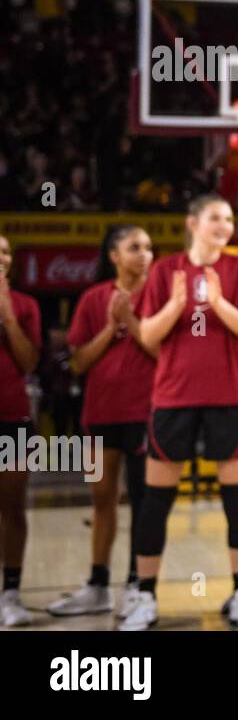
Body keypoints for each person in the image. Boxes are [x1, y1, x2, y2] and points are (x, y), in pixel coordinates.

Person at [126, 194, 238, 631]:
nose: (224, 225)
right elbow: (147, 336)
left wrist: (220, 304)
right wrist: (175, 304)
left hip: (230, 397)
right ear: (193, 222)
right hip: (172, 399)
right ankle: (144, 597)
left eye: (229, 219)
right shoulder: (165, 270)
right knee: (155, 503)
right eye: (215, 218)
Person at [49, 226, 156, 620]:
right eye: (134, 248)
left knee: (145, 504)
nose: (144, 254)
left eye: (147, 247)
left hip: (147, 413)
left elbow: (166, 352)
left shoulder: (160, 295)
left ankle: (136, 584)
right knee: (103, 500)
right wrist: (113, 327)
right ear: (113, 255)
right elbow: (78, 363)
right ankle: (98, 585)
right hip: (99, 415)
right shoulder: (93, 299)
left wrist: (134, 320)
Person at [0, 233, 41, 627]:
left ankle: (11, 593)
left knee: (12, 506)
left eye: (6, 251)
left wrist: (8, 315)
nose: (1, 257)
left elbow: (29, 361)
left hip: (11, 419)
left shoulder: (26, 306)